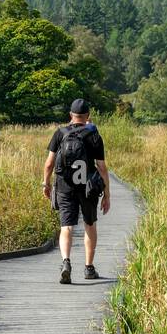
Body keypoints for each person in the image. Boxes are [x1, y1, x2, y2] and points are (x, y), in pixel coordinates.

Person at [42, 98, 110, 283]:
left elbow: (49, 164)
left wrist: (46, 184)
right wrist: (107, 194)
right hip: (88, 188)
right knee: (89, 224)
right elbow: (102, 167)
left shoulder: (60, 133)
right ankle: (89, 268)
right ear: (88, 116)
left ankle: (66, 262)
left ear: (71, 115)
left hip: (64, 187)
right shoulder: (94, 135)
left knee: (67, 226)